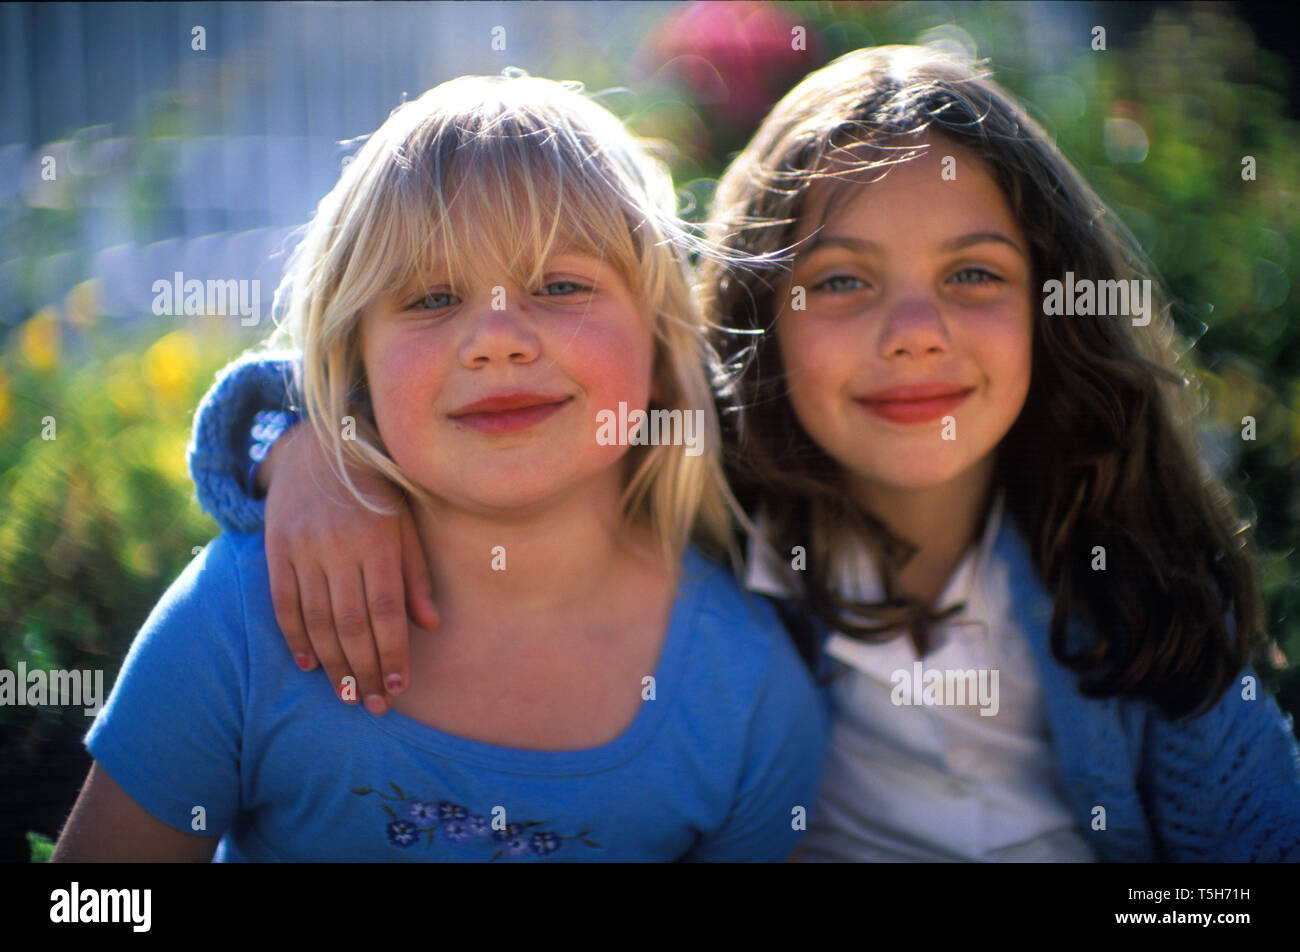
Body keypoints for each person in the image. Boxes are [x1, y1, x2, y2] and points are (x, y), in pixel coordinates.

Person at [179, 48, 1300, 861]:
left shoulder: (1133, 584)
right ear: (758, 324)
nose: (914, 330)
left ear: (1052, 308)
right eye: (843, 281)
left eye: (972, 274)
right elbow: (465, 388)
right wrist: (304, 448)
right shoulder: (711, 512)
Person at [50, 71, 828, 863]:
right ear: (358, 370)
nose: (496, 338)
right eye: (430, 298)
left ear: (662, 351)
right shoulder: (245, 617)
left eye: (560, 284)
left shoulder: (751, 695)